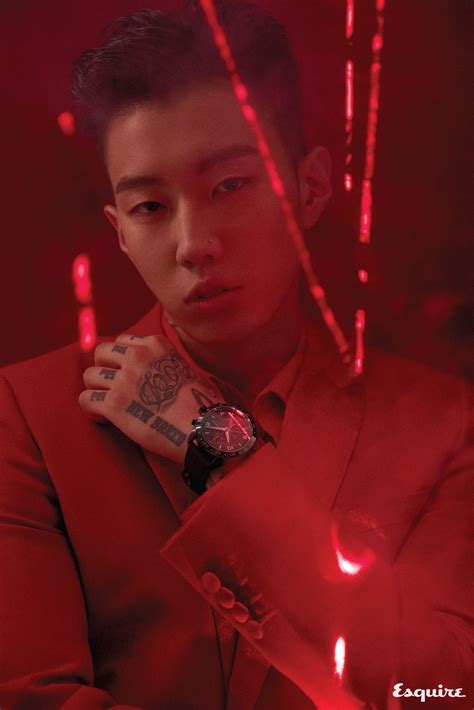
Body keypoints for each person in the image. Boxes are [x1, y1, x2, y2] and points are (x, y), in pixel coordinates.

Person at [0, 2, 472, 708]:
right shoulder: (29, 415)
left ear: (311, 188)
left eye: (231, 185)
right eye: (150, 207)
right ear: (120, 233)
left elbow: (442, 688)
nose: (195, 245)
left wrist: (220, 447)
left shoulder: (443, 422)